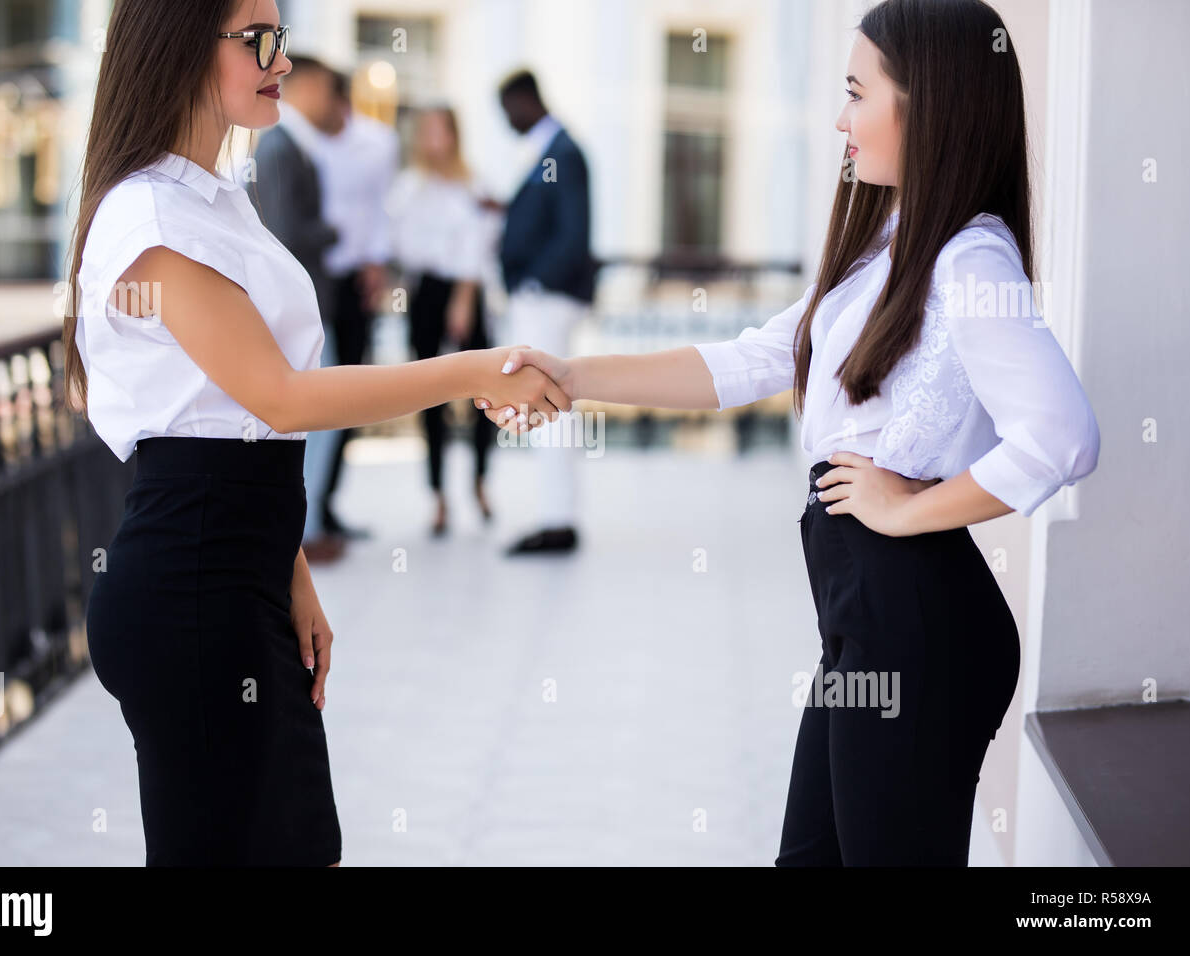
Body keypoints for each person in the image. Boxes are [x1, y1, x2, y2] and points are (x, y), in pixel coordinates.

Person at [480, 0, 1100, 865]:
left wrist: (907, 510)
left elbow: (1064, 436)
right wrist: (573, 377)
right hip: (868, 615)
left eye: (857, 92)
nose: (841, 117)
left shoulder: (968, 259)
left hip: (914, 621)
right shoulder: (890, 240)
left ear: (931, 103)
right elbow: (750, 359)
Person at [63, 0, 567, 867]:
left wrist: (289, 568)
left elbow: (240, 422)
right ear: (184, 46)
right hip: (190, 594)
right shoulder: (149, 218)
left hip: (238, 577)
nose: (283, 61)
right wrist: (472, 368)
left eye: (281, 38)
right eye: (257, 39)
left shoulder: (215, 197)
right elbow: (281, 398)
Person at [247, 53, 345, 563]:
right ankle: (299, 538)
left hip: (307, 303)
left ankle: (304, 534)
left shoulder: (292, 146)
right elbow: (283, 233)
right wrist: (335, 230)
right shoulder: (282, 149)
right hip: (297, 308)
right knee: (311, 423)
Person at [493, 69, 595, 555]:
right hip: (542, 297)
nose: (505, 120)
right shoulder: (551, 150)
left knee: (548, 405)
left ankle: (558, 521)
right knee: (549, 406)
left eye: (507, 109)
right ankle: (557, 517)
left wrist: (534, 282)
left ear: (525, 100)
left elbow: (573, 236)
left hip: (548, 299)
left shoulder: (564, 153)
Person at [385, 106, 497, 536]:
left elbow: (482, 241)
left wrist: (465, 298)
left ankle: (481, 483)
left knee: (484, 390)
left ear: (454, 134)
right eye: (426, 129)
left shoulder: (474, 183)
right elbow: (400, 241)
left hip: (467, 288)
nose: (433, 137)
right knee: (427, 393)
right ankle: (438, 496)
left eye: (441, 129)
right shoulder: (409, 186)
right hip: (426, 290)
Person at [309, 69, 399, 544]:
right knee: (315, 384)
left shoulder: (379, 143)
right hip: (316, 280)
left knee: (350, 388)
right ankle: (309, 510)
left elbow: (382, 208)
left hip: (358, 281)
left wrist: (376, 265)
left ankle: (326, 501)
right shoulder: (306, 143)